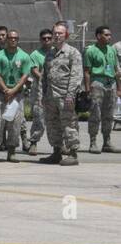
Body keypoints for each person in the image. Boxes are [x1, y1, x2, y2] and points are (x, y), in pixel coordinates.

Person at [40, 20, 83, 166]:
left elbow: (76, 76)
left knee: (69, 124)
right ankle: (56, 152)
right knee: (52, 124)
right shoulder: (50, 53)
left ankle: (72, 153)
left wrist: (71, 95)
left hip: (65, 96)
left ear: (66, 35)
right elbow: (44, 76)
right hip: (51, 96)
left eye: (60, 33)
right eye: (55, 33)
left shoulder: (72, 53)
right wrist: (43, 95)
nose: (57, 36)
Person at [0, 31, 32, 162]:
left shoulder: (24, 56)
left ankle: (12, 151)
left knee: (15, 124)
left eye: (15, 38)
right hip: (0, 93)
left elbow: (25, 76)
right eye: (10, 38)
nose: (13, 40)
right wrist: (5, 90)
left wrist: (13, 91)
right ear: (6, 39)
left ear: (18, 40)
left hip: (17, 94)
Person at [84, 26, 116, 153]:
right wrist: (87, 89)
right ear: (98, 36)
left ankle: (107, 142)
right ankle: (93, 142)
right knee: (95, 114)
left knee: (109, 115)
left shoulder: (111, 49)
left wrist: (118, 87)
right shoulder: (90, 51)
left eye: (110, 35)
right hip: (97, 83)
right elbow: (86, 71)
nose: (109, 37)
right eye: (106, 35)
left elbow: (116, 70)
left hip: (111, 83)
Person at [22, 28, 52, 154]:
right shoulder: (35, 54)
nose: (47, 40)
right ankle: (33, 142)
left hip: (56, 89)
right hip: (40, 89)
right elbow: (34, 70)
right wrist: (47, 80)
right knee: (39, 117)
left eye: (49, 38)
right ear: (40, 40)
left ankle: (60, 145)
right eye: (44, 38)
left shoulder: (57, 52)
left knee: (56, 118)